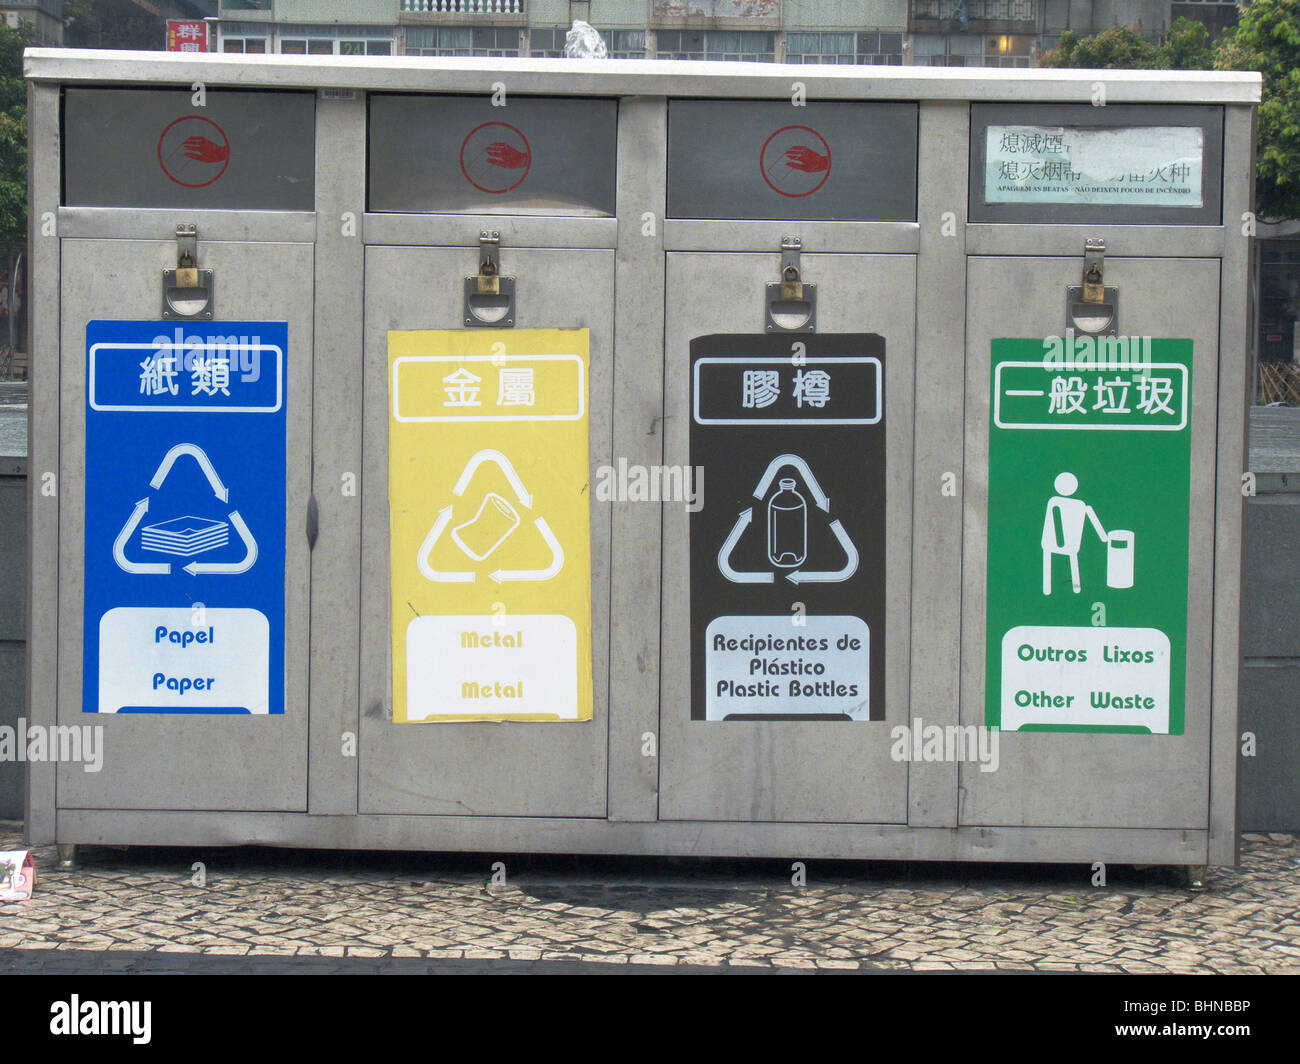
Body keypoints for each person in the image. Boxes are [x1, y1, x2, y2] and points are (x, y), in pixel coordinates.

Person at [1042, 471, 1106, 595]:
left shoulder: (1054, 502)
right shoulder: (1079, 504)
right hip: (1067, 544)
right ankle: (1075, 588)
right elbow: (1091, 514)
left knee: (1049, 557)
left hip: (1054, 543)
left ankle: (1048, 589)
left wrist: (1060, 541)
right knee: (1071, 558)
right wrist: (1103, 537)